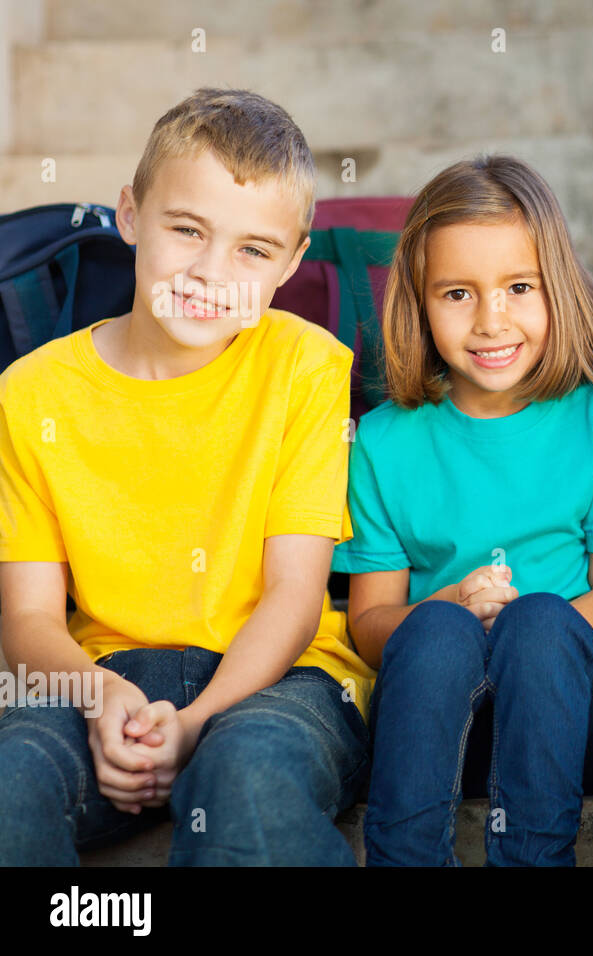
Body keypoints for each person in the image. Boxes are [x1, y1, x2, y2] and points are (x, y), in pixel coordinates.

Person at [0, 88, 373, 865]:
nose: (211, 273)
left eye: (252, 250)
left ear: (293, 263)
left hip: (283, 680)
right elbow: (29, 623)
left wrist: (199, 721)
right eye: (185, 229)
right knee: (11, 781)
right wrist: (101, 699)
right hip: (101, 681)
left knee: (251, 782)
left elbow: (296, 594)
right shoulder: (31, 393)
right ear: (130, 216)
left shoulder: (304, 367)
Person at [334, 155, 593, 866]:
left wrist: (516, 627)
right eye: (457, 294)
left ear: (556, 288)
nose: (490, 320)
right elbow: (367, 622)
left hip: (569, 717)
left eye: (517, 287)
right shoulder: (383, 441)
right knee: (440, 629)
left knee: (540, 623)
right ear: (418, 300)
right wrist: (440, 607)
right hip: (440, 721)